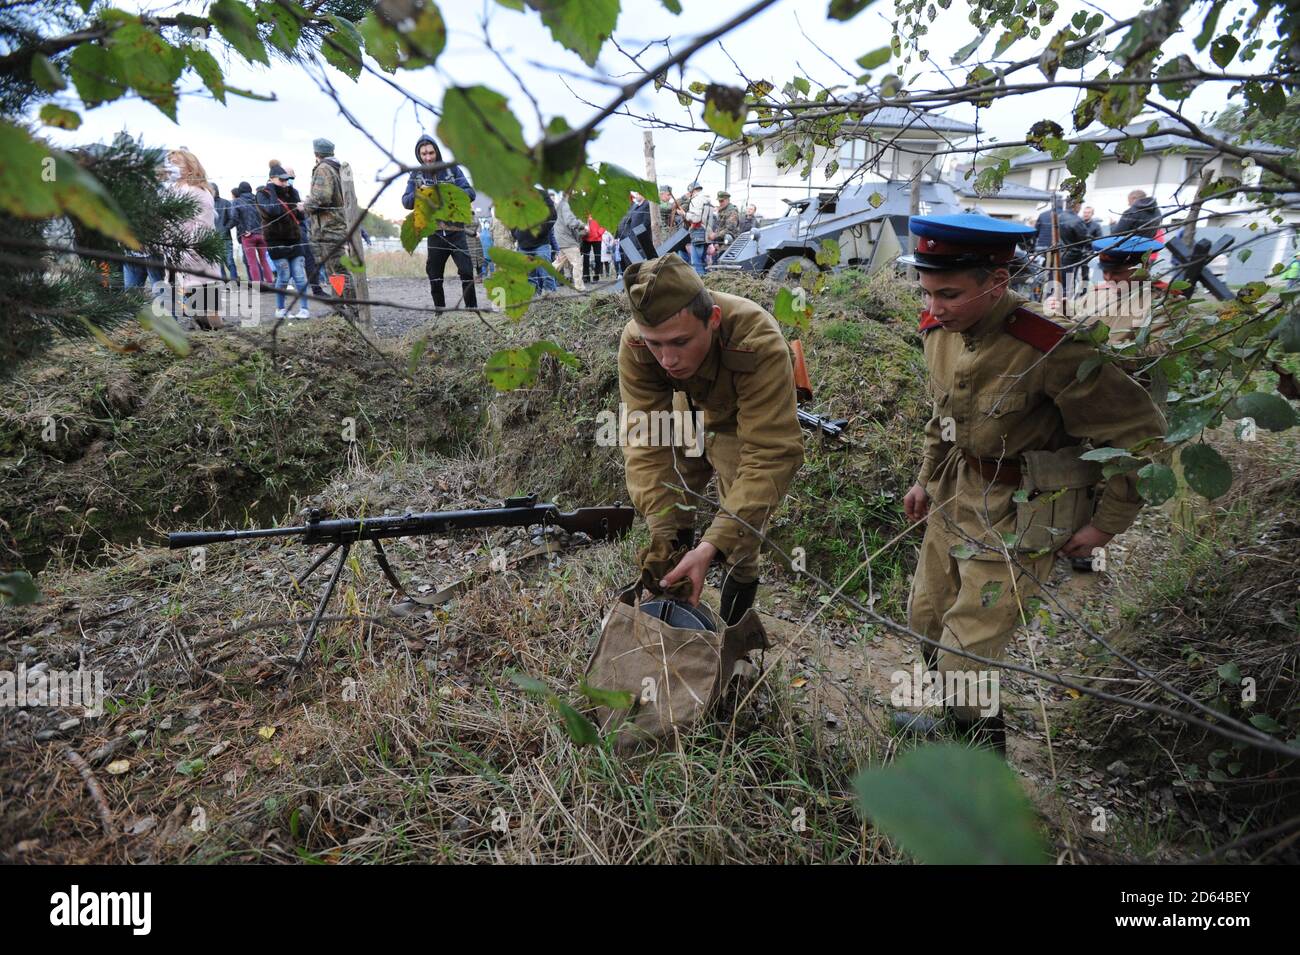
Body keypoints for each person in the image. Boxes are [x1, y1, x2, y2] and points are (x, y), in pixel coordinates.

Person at [895, 213, 1167, 751]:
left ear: (996, 282)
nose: (933, 308)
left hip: (1025, 509)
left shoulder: (1051, 347)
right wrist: (925, 479)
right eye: (927, 293)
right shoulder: (939, 333)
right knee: (924, 618)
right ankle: (957, 728)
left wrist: (1106, 526)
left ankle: (980, 771)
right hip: (956, 494)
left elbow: (1139, 434)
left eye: (948, 294)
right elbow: (942, 416)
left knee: (964, 652)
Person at [617, 254, 804, 627]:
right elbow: (645, 441)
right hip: (686, 413)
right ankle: (678, 611)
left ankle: (734, 635)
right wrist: (663, 529)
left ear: (713, 320)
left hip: (740, 424)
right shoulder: (637, 344)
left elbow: (770, 454)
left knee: (742, 537)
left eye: (680, 342)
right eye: (656, 344)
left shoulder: (757, 338)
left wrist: (713, 545)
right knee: (671, 513)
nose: (667, 359)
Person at [401, 133, 478, 309]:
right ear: (419, 156)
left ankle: (472, 311)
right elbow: (406, 201)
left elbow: (470, 193)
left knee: (467, 272)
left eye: (431, 152)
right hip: (434, 233)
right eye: (424, 154)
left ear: (437, 151)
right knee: (435, 276)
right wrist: (422, 193)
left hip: (457, 231)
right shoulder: (416, 175)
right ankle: (440, 314)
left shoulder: (452, 170)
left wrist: (446, 191)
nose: (428, 157)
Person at [302, 138, 356, 316]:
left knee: (339, 270)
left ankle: (354, 309)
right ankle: (339, 309)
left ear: (315, 153)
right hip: (336, 224)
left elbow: (322, 197)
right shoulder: (337, 166)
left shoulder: (324, 168)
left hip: (329, 227)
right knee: (335, 271)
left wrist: (305, 206)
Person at [255, 160, 310, 319]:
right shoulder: (263, 194)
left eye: (287, 179)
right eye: (281, 179)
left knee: (300, 275)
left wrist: (294, 197)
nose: (285, 183)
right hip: (276, 241)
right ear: (271, 178)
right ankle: (280, 309)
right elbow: (273, 210)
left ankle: (304, 309)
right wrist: (272, 190)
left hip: (295, 239)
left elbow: (301, 215)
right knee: (284, 275)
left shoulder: (292, 192)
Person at [510, 187, 557, 293]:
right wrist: (516, 233)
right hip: (523, 245)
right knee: (529, 278)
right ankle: (533, 304)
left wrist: (541, 231)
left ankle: (553, 302)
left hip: (541, 244)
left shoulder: (542, 194)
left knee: (546, 275)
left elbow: (553, 215)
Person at [232, 181, 273, 285]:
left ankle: (257, 285)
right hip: (262, 233)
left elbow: (234, 218)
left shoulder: (237, 201)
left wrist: (242, 231)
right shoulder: (258, 199)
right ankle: (270, 282)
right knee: (264, 260)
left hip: (248, 235)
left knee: (252, 262)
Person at [551, 192, 587, 291]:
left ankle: (540, 275)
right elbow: (569, 221)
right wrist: (582, 225)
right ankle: (580, 287)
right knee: (577, 263)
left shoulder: (559, 206)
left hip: (562, 239)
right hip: (568, 241)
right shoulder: (565, 205)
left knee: (557, 264)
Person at [210, 182, 239, 281]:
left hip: (225, 237)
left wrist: (225, 228)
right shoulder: (207, 203)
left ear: (216, 190)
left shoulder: (226, 203)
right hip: (212, 238)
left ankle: (235, 282)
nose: (209, 192)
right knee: (219, 263)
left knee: (229, 261)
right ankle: (225, 283)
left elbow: (233, 219)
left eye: (211, 190)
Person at [684, 182, 712, 275]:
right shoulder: (707, 200)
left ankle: (700, 285)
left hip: (698, 233)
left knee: (696, 264)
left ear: (692, 190)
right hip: (706, 234)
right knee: (703, 262)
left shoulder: (696, 200)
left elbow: (696, 218)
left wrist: (684, 214)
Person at [708, 191, 741, 259]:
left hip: (729, 244)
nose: (720, 203)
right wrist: (716, 242)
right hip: (721, 243)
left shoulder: (732, 211)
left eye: (722, 201)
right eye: (719, 201)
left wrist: (715, 236)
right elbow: (720, 227)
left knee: (722, 265)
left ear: (727, 200)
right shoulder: (722, 210)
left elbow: (729, 229)